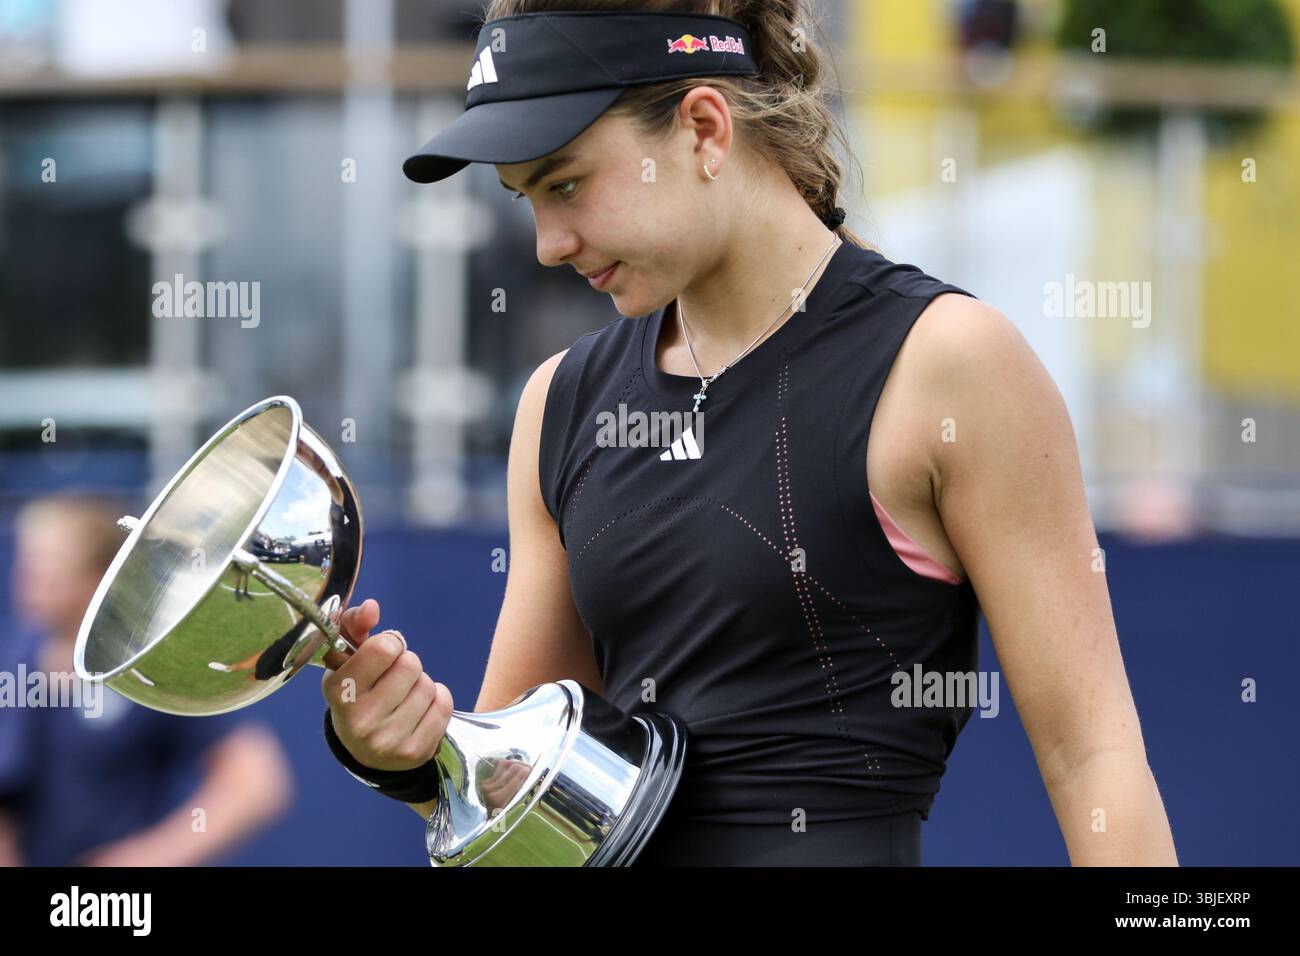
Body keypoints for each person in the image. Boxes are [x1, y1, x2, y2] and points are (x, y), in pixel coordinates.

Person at [320, 2, 1178, 866]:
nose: (546, 244)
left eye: (566, 182)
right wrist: (404, 752)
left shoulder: (951, 363)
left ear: (703, 128)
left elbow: (1092, 757)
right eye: (525, 198)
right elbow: (517, 787)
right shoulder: (559, 401)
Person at [0, 493, 294, 866]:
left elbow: (256, 782)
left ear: (98, 579)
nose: (28, 581)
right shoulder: (15, 661)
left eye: (49, 567)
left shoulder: (145, 665)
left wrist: (147, 858)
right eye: (28, 564)